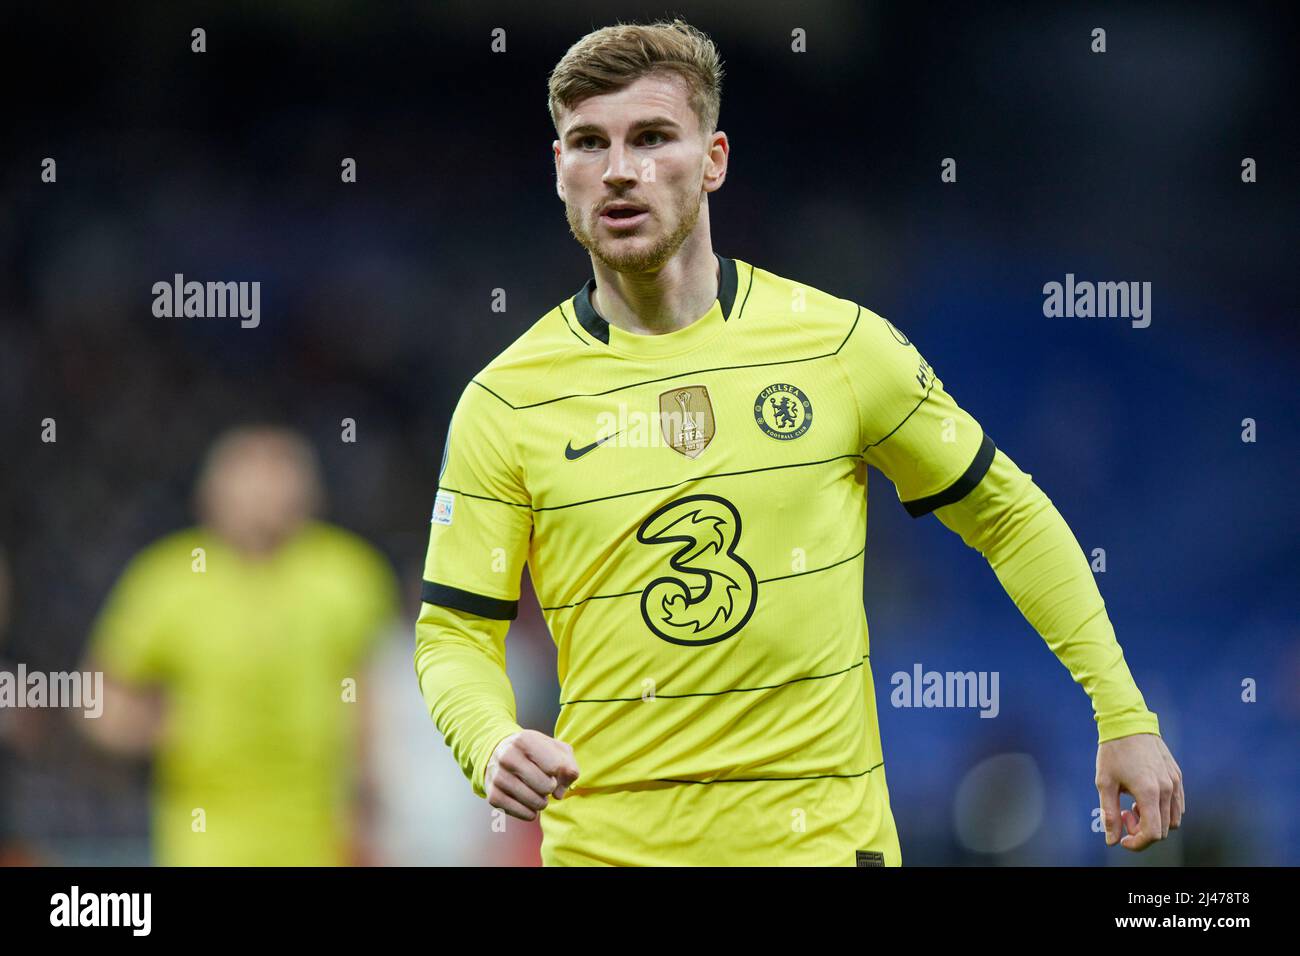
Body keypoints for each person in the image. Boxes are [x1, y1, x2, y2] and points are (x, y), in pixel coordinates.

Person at [413, 18, 1183, 866]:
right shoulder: (504, 403)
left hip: (824, 850)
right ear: (560, 170)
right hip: (608, 853)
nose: (620, 170)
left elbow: (1007, 515)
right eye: (588, 143)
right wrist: (488, 739)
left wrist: (1123, 714)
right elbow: (453, 634)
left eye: (654, 137)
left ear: (714, 160)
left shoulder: (842, 347)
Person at [83, 426, 399, 865]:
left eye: (280, 476)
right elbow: (99, 695)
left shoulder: (346, 574)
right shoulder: (168, 579)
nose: (266, 496)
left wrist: (369, 789)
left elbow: (373, 690)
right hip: (207, 829)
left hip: (318, 829)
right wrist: (155, 726)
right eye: (251, 480)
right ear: (212, 493)